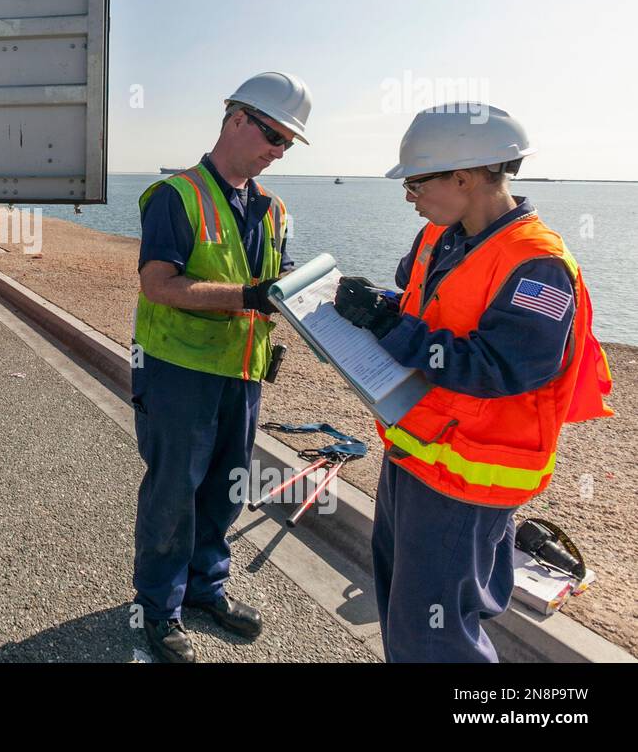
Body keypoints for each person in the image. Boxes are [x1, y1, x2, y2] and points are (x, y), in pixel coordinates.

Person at [333, 103, 613, 662]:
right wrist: (378, 308)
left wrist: (390, 327)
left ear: (463, 177)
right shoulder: (443, 237)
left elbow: (501, 368)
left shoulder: (537, 263)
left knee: (438, 638)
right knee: (403, 614)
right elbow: (427, 310)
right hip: (414, 452)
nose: (409, 196)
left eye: (415, 182)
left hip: (468, 478)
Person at [132, 71, 310, 663]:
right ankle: (159, 608)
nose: (278, 153)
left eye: (287, 144)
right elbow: (159, 286)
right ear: (236, 118)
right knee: (173, 493)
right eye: (274, 137)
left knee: (225, 489)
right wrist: (248, 296)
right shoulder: (175, 197)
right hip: (180, 373)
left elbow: (278, 280)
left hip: (243, 373)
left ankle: (206, 589)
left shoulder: (274, 209)